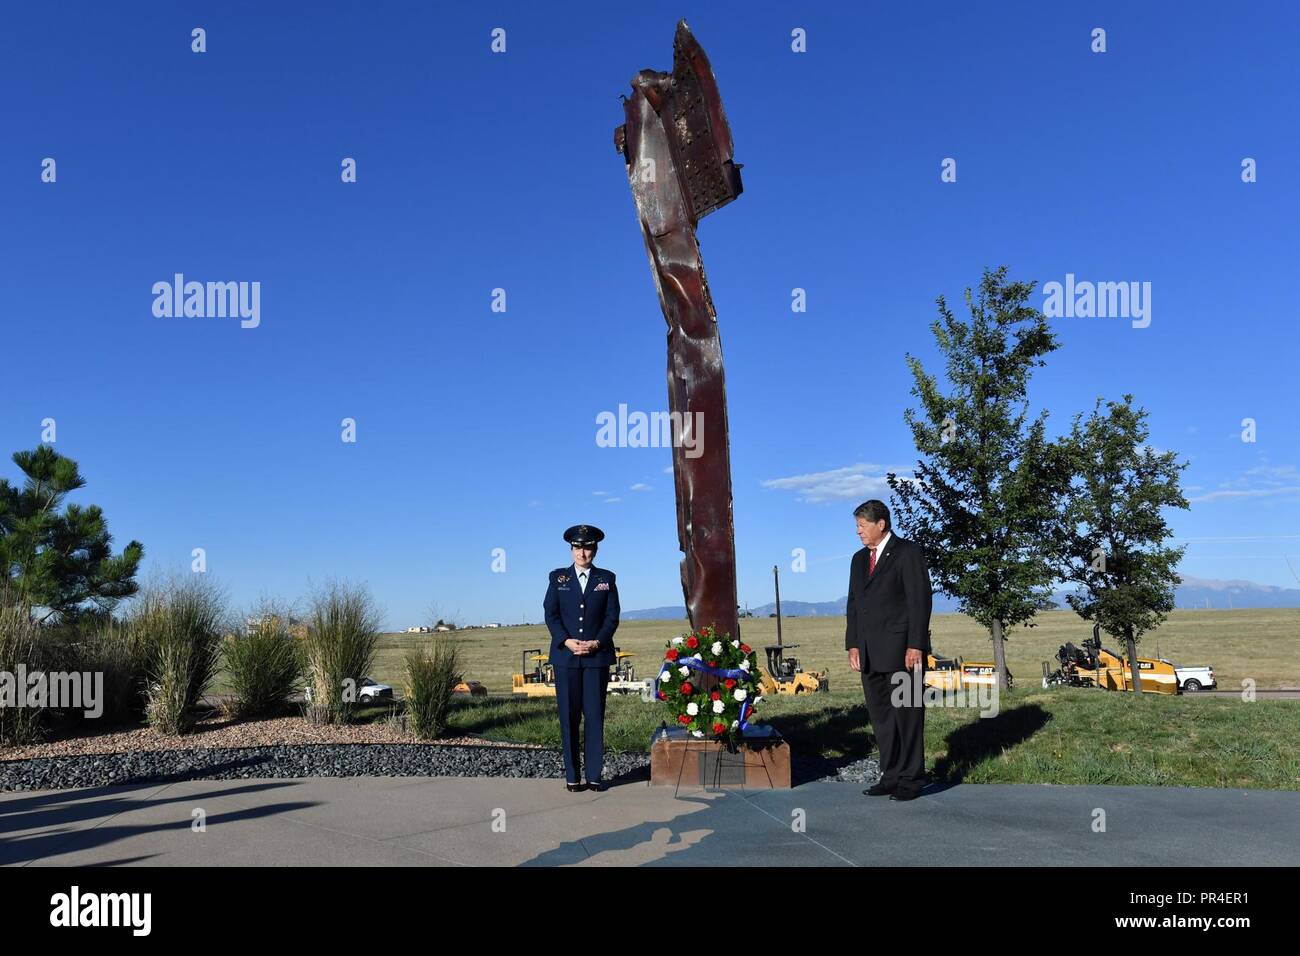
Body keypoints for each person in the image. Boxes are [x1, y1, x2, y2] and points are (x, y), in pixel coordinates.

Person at [844, 500, 933, 801]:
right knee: (882, 718)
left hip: (904, 653)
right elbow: (854, 605)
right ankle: (891, 775)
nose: (858, 531)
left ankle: (911, 779)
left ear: (881, 524)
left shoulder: (908, 552)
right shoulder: (858, 560)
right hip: (869, 653)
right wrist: (852, 644)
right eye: (856, 526)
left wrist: (916, 644)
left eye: (862, 525)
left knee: (907, 716)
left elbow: (919, 601)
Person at [543, 524, 620, 792]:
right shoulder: (558, 578)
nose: (582, 552)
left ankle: (595, 776)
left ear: (595, 549)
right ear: (571, 549)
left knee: (595, 716)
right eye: (577, 547)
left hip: (595, 659)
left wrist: (597, 642)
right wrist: (565, 640)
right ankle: (573, 777)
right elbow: (550, 614)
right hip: (566, 658)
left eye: (587, 547)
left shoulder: (606, 579)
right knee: (569, 717)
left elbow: (612, 617)